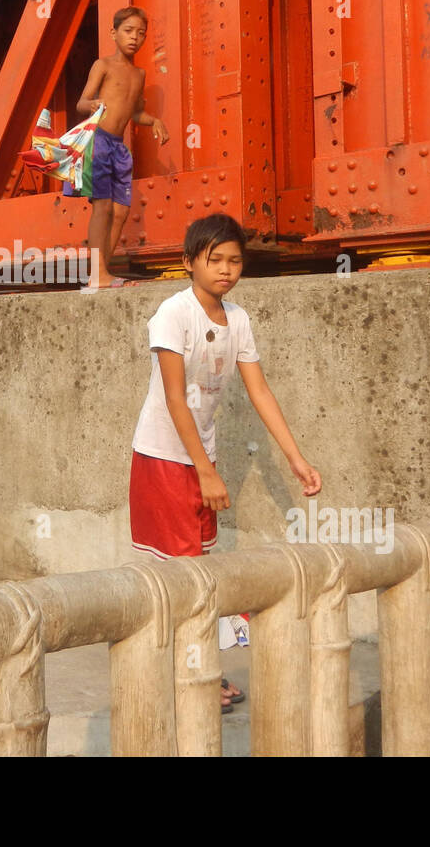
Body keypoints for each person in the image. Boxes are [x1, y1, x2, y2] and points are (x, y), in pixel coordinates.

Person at [128, 213, 322, 710]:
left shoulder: (238, 319)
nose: (225, 270)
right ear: (190, 262)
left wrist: (296, 458)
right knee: (185, 570)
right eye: (214, 260)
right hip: (163, 455)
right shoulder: (173, 314)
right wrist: (206, 471)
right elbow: (175, 400)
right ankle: (190, 676)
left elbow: (259, 390)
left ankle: (190, 668)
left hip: (200, 455)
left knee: (199, 565)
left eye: (235, 261)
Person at [68, 6, 169, 290]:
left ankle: (100, 274)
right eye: (128, 31)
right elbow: (81, 103)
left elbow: (136, 113)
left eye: (141, 33)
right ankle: (99, 274)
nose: (134, 37)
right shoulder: (103, 65)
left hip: (118, 147)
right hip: (98, 141)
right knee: (101, 208)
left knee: (121, 211)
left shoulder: (139, 74)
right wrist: (93, 105)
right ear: (113, 33)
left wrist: (155, 121)